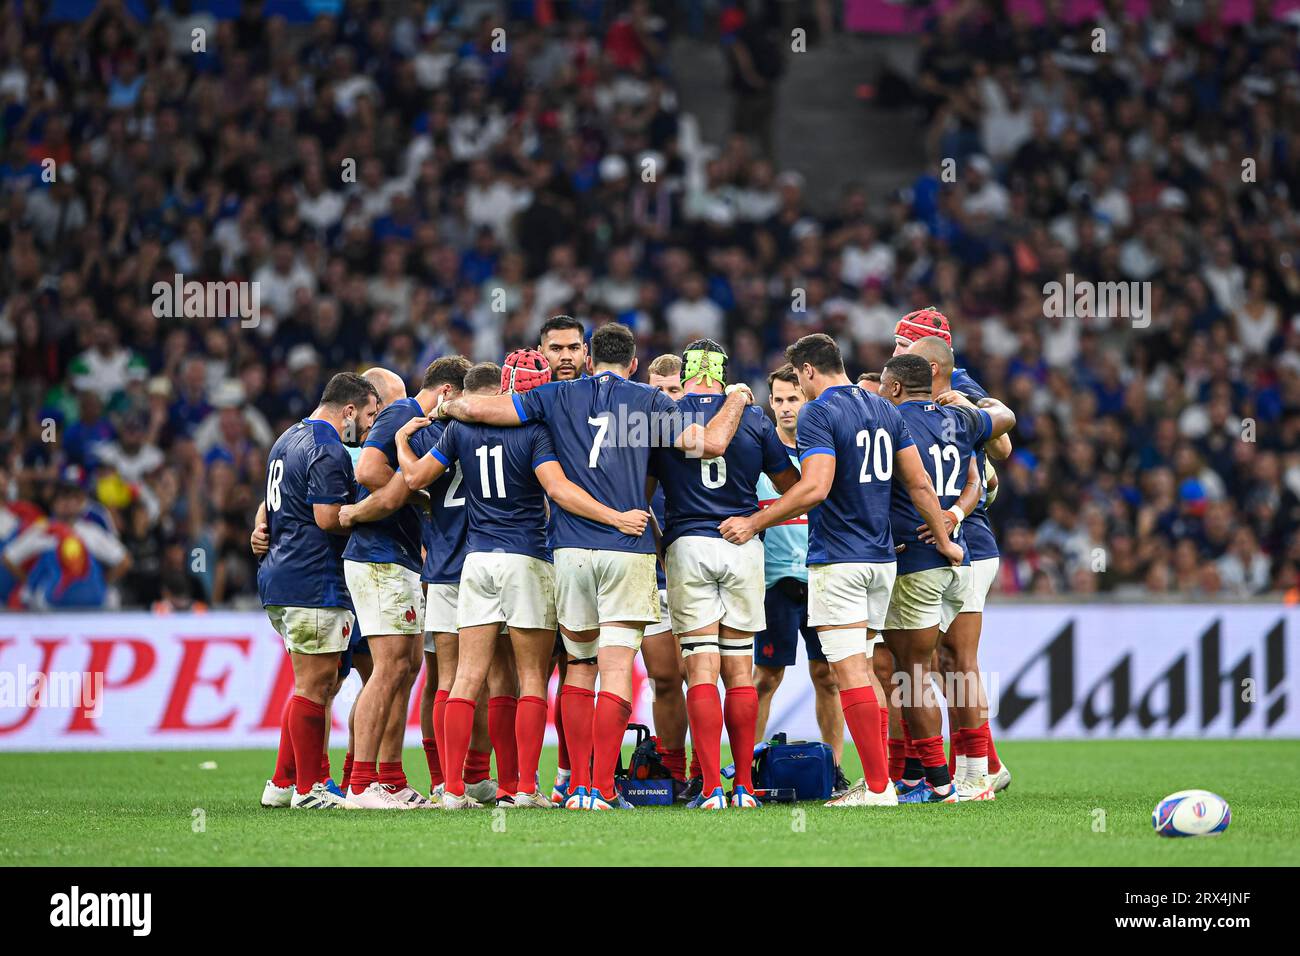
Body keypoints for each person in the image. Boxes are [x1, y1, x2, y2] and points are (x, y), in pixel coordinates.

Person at [435, 322, 752, 810]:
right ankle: (602, 788)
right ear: (632, 364)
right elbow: (710, 444)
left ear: (588, 358)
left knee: (578, 668)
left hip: (568, 551)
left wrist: (447, 405)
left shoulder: (557, 397)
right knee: (617, 669)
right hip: (626, 547)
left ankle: (574, 784)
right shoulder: (649, 402)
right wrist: (737, 397)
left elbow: (484, 407)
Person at [345, 362, 650, 808]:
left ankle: (450, 789)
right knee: (529, 679)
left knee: (463, 678)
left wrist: (401, 443)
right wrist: (613, 517)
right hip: (526, 558)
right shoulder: (537, 432)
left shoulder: (460, 430)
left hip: (476, 562)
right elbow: (560, 491)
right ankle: (523, 788)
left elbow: (412, 479)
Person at [719, 333, 960, 807]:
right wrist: (946, 538)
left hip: (840, 560)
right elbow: (919, 483)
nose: (798, 394)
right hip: (882, 562)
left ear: (808, 371)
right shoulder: (884, 409)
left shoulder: (819, 412)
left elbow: (815, 488)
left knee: (848, 673)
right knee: (863, 670)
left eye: (799, 381)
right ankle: (883, 781)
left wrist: (755, 521)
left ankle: (876, 787)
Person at [650, 339, 796, 809]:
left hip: (688, 544)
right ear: (723, 372)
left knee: (700, 669)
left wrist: (662, 544)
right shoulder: (754, 418)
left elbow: (642, 493)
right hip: (742, 543)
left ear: (687, 371)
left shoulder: (664, 418)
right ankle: (744, 789)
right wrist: (757, 521)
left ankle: (711, 787)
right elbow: (792, 488)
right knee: (738, 671)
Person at [876, 352, 1014, 802]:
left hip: (920, 556)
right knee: (960, 667)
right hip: (965, 558)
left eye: (883, 384)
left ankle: (935, 781)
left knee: (911, 674)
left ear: (895, 388)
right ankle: (978, 775)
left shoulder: (891, 424)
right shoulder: (960, 419)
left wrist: (937, 526)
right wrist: (954, 515)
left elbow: (897, 489)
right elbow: (980, 476)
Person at [341, 359, 462, 809]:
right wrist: (418, 490)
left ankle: (389, 777)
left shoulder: (410, 418)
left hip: (399, 559)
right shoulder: (401, 411)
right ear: (448, 391)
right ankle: (360, 783)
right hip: (379, 559)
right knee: (389, 668)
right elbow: (368, 470)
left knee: (406, 668)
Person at [255, 372, 380, 809]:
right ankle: (310, 790)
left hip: (280, 577)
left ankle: (282, 783)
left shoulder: (287, 438)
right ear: (348, 410)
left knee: (317, 684)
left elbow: (275, 503)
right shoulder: (327, 446)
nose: (367, 426)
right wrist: (376, 507)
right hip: (312, 578)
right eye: (366, 415)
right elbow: (328, 518)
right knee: (314, 685)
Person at [751, 364, 850, 796]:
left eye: (794, 398)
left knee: (827, 675)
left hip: (821, 577)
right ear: (770, 403)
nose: (787, 407)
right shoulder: (758, 453)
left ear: (806, 399)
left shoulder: (823, 451)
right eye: (779, 399)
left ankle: (834, 768)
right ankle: (747, 767)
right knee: (765, 678)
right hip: (773, 582)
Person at [643, 353, 691, 796]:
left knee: (702, 672)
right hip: (654, 575)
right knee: (664, 677)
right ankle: (674, 770)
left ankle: (713, 772)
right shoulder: (635, 446)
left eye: (675, 390)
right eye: (659, 391)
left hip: (697, 569)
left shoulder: (703, 439)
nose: (668, 399)